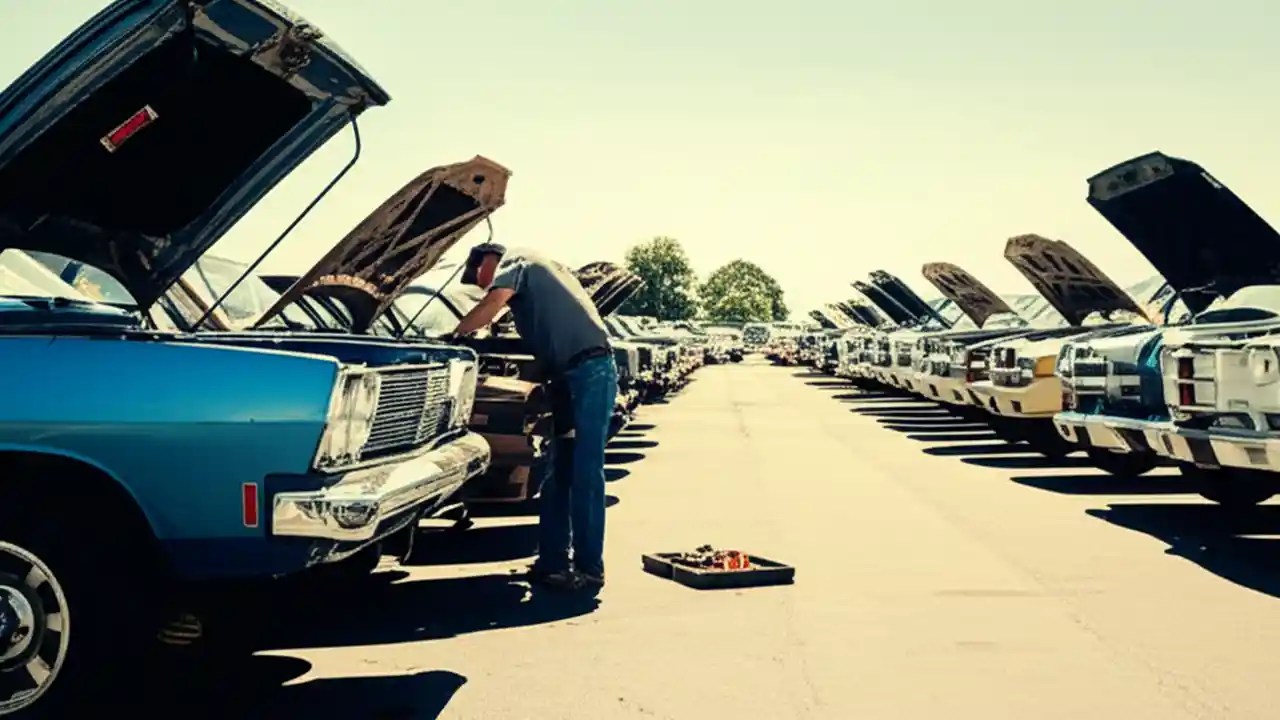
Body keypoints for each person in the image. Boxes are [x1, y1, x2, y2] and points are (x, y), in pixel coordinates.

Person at [448, 243, 617, 591]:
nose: (482, 286)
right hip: (572, 374)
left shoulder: (516, 262)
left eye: (479, 277)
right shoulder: (540, 273)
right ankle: (553, 562)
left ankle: (589, 568)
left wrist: (453, 336)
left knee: (585, 472)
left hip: (590, 373)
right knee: (560, 472)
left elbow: (491, 306)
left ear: (488, 260)